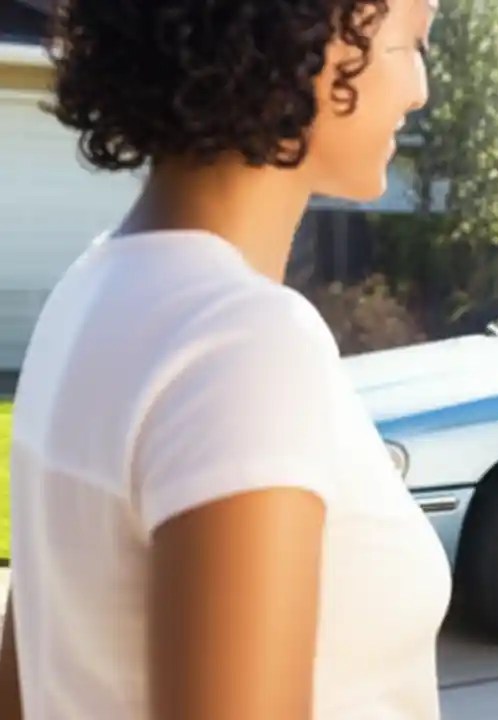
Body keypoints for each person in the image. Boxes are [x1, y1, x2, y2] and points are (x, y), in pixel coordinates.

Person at [0, 1, 449, 718]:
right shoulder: (243, 343)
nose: (420, 87)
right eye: (408, 45)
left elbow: (26, 682)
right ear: (303, 34)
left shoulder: (88, 294)